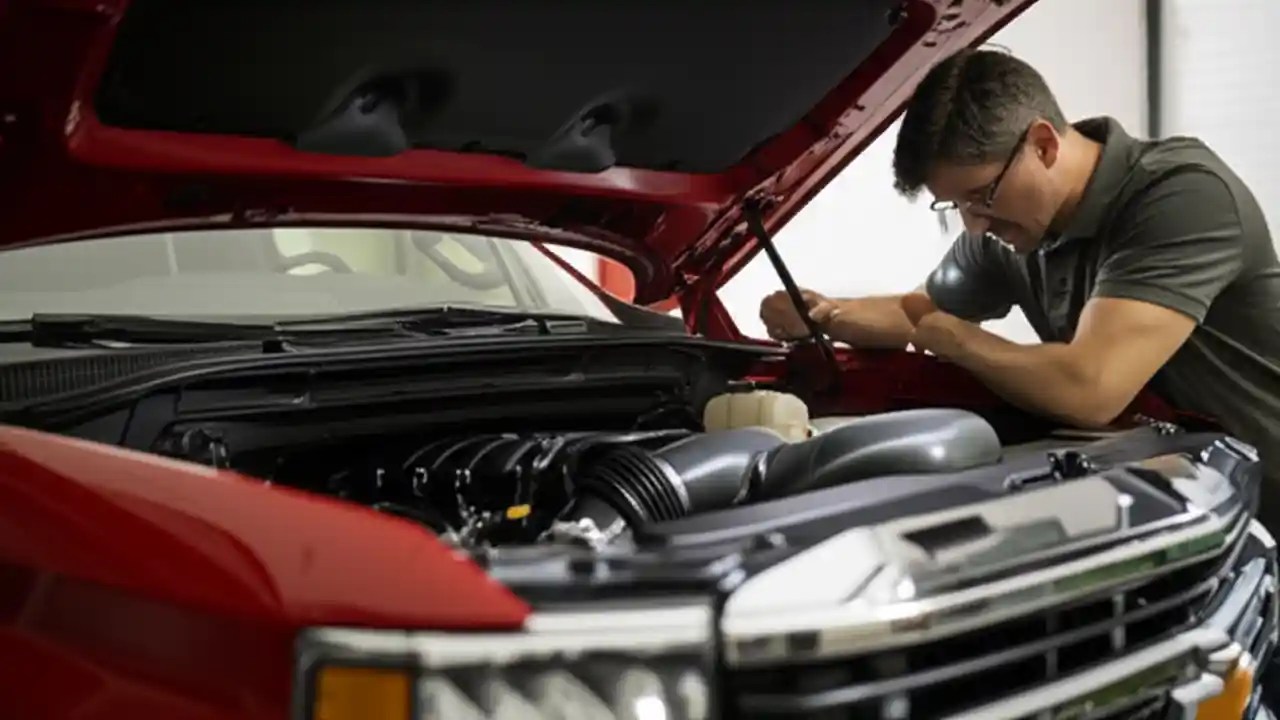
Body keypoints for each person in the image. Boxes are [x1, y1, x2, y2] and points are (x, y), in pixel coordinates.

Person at [759, 48, 1280, 530]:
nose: (973, 226)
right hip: (1200, 500)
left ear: (1043, 144)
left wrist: (961, 341)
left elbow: (1091, 388)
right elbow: (915, 311)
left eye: (979, 196)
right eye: (955, 207)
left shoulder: (1180, 197)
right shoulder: (1010, 231)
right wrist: (824, 313)